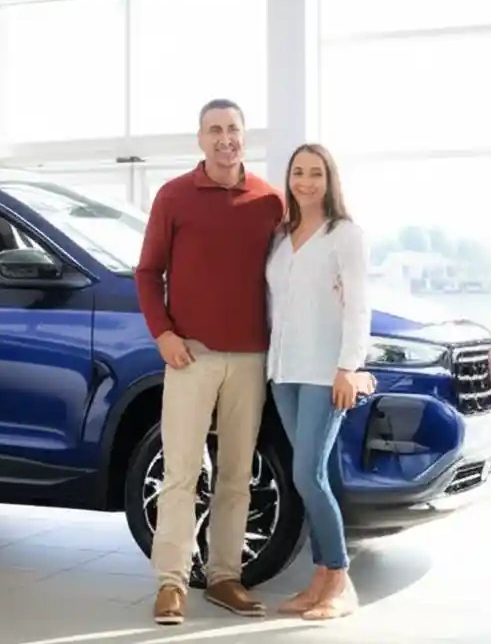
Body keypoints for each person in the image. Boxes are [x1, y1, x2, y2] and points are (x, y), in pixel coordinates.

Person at [134, 99, 285, 625]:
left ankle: (224, 576)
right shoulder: (174, 196)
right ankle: (171, 583)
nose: (226, 138)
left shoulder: (270, 201)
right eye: (215, 130)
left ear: (246, 137)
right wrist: (164, 336)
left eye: (234, 129)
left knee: (237, 473)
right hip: (190, 356)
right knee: (180, 472)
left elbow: (288, 273)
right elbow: (147, 273)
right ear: (200, 139)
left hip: (250, 358)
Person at [265, 143, 372, 621]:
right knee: (316, 476)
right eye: (298, 173)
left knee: (305, 474)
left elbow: (358, 305)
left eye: (315, 173)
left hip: (324, 372)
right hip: (283, 370)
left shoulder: (343, 235)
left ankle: (341, 579)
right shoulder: (282, 235)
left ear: (330, 180)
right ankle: (320, 581)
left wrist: (350, 365)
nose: (305, 182)